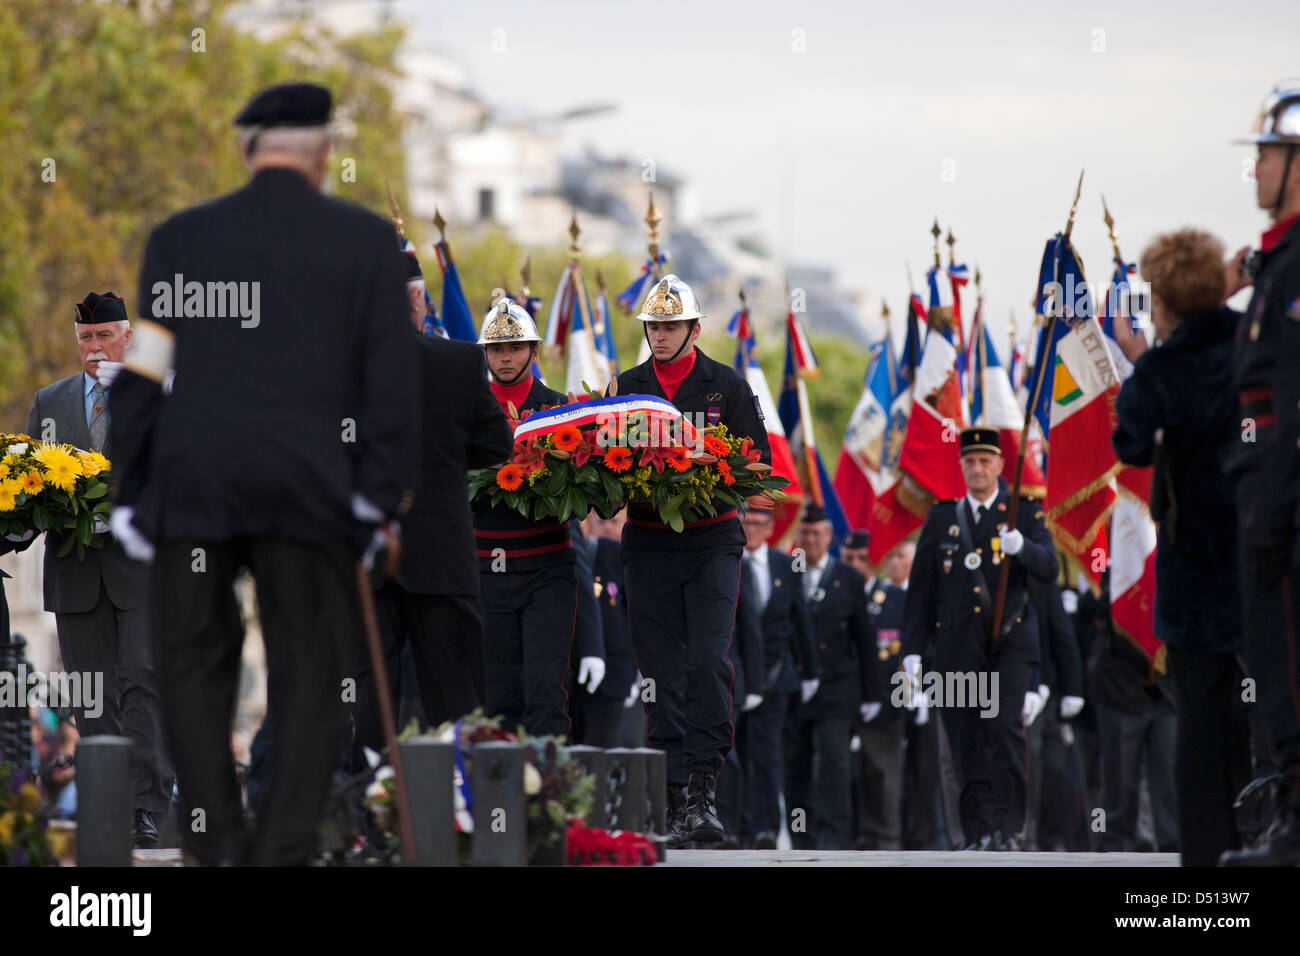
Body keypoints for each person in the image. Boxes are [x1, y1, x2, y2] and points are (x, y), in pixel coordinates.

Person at [107, 82, 419, 865]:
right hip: (310, 492)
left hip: (195, 485)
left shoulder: (182, 238)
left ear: (248, 151)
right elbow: (392, 384)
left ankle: (214, 841)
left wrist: (131, 490)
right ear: (322, 157)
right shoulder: (364, 242)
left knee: (191, 668)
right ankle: (281, 848)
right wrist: (376, 498)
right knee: (310, 672)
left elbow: (145, 368)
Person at [608, 274, 771, 846]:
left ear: (695, 329)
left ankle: (704, 787)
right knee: (661, 673)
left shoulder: (725, 385)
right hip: (649, 543)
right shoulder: (625, 387)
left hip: (710, 541)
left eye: (671, 325)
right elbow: (605, 477)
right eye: (653, 326)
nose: (660, 334)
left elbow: (759, 465)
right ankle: (676, 797)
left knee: (707, 661)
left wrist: (706, 468)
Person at [1111, 227, 1252, 866]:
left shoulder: (1164, 368)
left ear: (1165, 301)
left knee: (1199, 719)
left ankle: (1205, 857)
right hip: (1263, 555)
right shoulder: (1253, 342)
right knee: (1265, 712)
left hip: (1197, 563)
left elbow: (1131, 445)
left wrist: (1143, 360)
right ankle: (1267, 834)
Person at [352, 238, 513, 780]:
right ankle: (463, 810)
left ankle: (370, 817)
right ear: (419, 304)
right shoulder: (462, 362)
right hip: (442, 555)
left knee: (370, 698)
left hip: (368, 556)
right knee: (457, 699)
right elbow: (497, 449)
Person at [22, 291, 169, 847]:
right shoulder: (50, 402)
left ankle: (146, 804)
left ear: (128, 338)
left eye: (105, 335)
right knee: (93, 694)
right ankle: (109, 799)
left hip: (142, 575)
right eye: (86, 337)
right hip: (76, 573)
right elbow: (32, 484)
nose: (94, 347)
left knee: (142, 683)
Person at [901, 427, 1058, 850]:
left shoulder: (1023, 513)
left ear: (1001, 466)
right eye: (970, 461)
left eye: (986, 461)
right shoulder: (942, 517)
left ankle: (1008, 829)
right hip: (956, 649)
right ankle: (978, 831)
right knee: (965, 737)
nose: (978, 468)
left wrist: (1022, 546)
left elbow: (1049, 568)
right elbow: (921, 592)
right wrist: (912, 651)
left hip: (1009, 645)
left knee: (1004, 731)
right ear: (962, 467)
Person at [1219, 81, 1300, 867]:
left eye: (1268, 156)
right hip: (1269, 490)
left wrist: (1271, 504)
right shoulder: (1274, 264)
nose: (1257, 172)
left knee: (1288, 664)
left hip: (1287, 495)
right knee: (1277, 666)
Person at [473, 298, 595, 738]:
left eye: (515, 348)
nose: (505, 357)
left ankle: (548, 799)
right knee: (496, 696)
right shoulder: (466, 409)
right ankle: (498, 800)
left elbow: (585, 496)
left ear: (534, 351)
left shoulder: (565, 410)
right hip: (486, 569)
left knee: (546, 691)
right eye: (496, 349)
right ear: (484, 354)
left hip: (548, 571)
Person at [783, 505, 881, 850]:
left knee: (834, 762)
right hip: (794, 685)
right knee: (795, 766)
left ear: (830, 537)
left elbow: (865, 638)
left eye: (817, 534)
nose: (810, 540)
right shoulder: (787, 571)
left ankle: (833, 838)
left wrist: (873, 693)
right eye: (805, 533)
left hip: (837, 686)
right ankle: (802, 837)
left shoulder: (849, 577)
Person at [736, 506, 817, 849]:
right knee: (733, 754)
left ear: (770, 528)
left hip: (776, 676)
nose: (751, 529)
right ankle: (733, 828)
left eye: (758, 524)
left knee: (767, 754)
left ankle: (766, 828)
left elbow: (800, 621)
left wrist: (810, 671)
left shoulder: (786, 565)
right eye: (746, 523)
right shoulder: (726, 563)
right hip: (735, 677)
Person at [841, 529, 908, 850]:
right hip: (841, 697)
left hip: (884, 699)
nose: (855, 565)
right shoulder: (835, 592)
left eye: (862, 559)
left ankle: (885, 838)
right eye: (849, 558)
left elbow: (906, 652)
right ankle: (846, 837)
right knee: (840, 773)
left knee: (883, 773)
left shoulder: (895, 599)